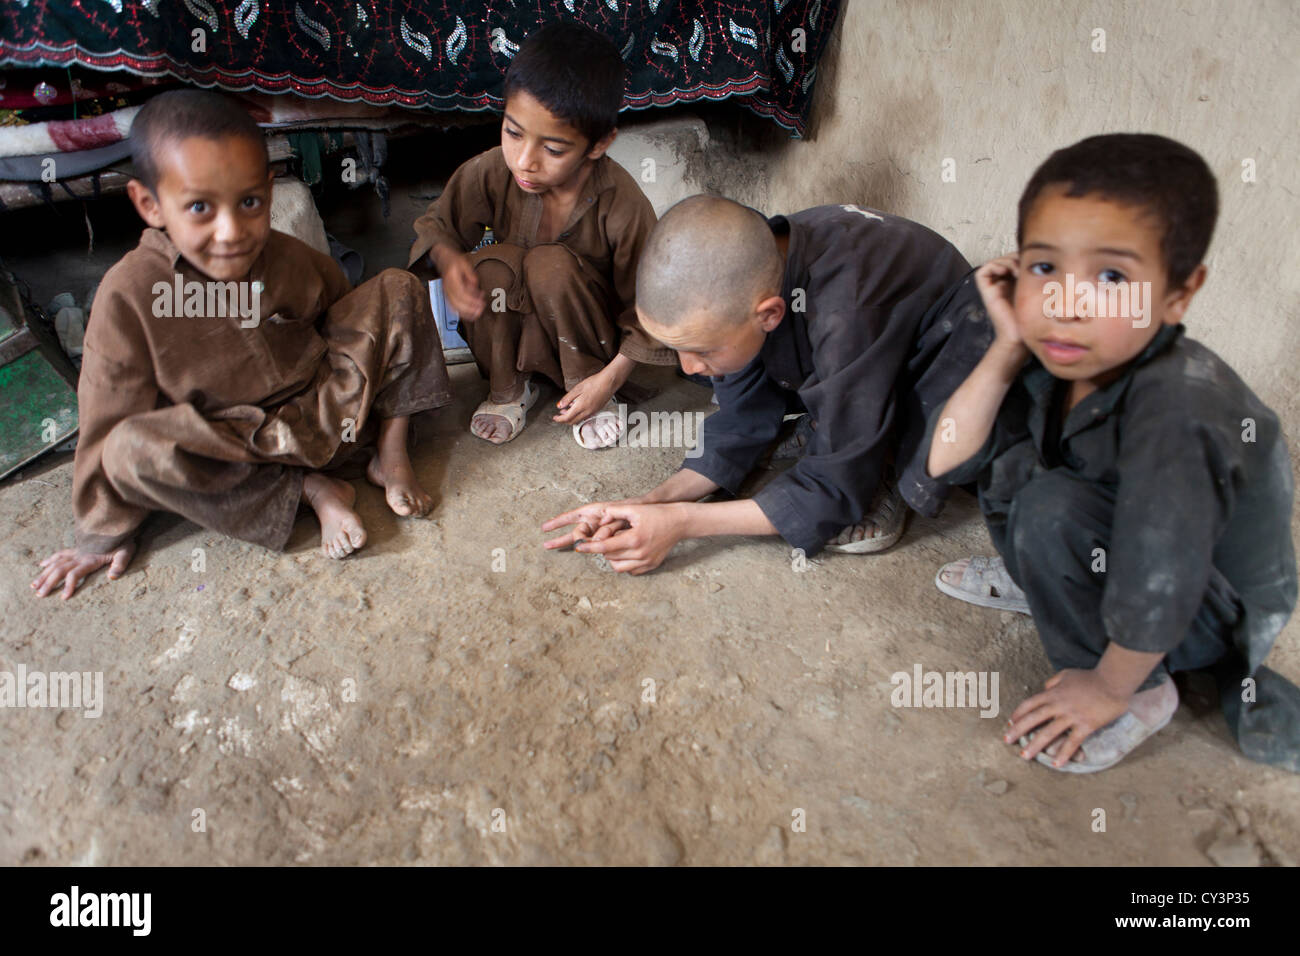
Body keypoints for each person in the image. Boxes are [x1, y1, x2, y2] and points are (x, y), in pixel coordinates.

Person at [926, 133, 1298, 773]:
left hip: (1202, 607)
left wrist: (1107, 686)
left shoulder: (1180, 410)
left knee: (1050, 509)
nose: (1067, 303)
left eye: (1111, 276)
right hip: (1122, 547)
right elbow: (945, 461)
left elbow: (1166, 574)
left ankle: (1144, 692)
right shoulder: (1060, 356)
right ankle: (1045, 581)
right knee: (1007, 450)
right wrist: (1008, 344)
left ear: (1179, 294)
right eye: (1044, 268)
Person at [32, 89, 452, 599]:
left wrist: (365, 373)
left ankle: (390, 455)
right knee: (128, 449)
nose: (231, 231)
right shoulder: (129, 294)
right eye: (200, 207)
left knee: (397, 288)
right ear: (149, 204)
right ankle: (308, 491)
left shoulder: (285, 256)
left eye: (249, 202)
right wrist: (100, 534)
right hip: (241, 451)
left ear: (269, 192)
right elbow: (106, 417)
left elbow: (350, 316)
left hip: (331, 414)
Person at [408, 20, 675, 448]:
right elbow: (437, 226)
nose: (524, 161)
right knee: (488, 266)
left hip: (592, 344)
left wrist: (611, 378)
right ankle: (510, 387)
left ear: (598, 143)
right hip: (514, 338)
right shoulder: (494, 169)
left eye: (553, 149)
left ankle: (589, 389)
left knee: (549, 264)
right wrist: (449, 259)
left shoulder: (620, 199)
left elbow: (653, 305)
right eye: (513, 132)